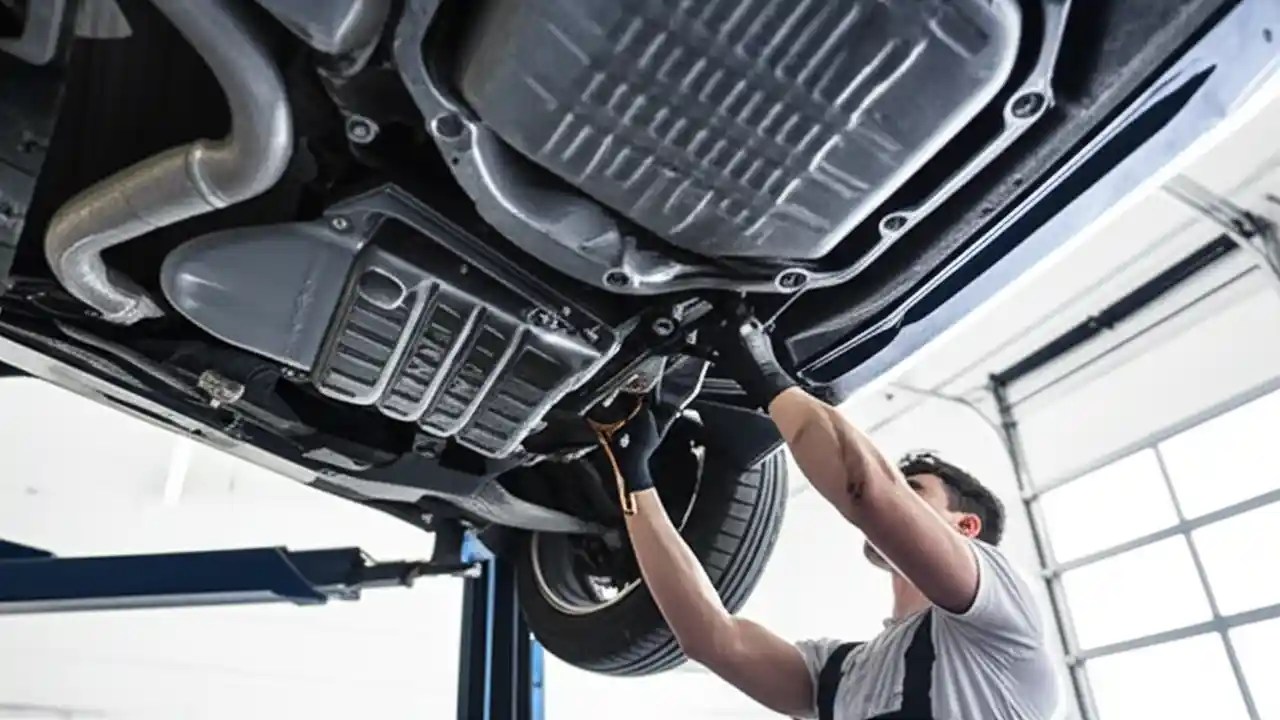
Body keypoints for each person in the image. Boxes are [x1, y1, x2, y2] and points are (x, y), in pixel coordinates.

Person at [602, 316, 1061, 719]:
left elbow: (870, 493)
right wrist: (634, 476)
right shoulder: (847, 674)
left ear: (966, 527)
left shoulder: (1000, 624)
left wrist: (764, 375)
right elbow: (714, 638)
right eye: (903, 486)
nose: (899, 492)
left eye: (915, 490)